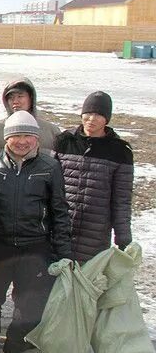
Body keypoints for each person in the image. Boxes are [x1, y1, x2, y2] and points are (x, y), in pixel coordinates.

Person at [0, 111, 73, 353]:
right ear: (7, 138)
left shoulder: (49, 167)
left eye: (28, 135)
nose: (22, 141)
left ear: (37, 138)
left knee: (30, 305)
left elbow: (60, 212)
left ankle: (13, 348)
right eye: (16, 135)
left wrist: (63, 253)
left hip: (35, 246)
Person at [53, 91, 134, 262]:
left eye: (98, 114)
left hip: (95, 232)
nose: (91, 119)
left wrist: (123, 238)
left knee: (86, 284)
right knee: (53, 283)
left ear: (107, 118)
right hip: (60, 227)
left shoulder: (120, 151)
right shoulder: (65, 142)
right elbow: (48, 184)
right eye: (88, 113)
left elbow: (122, 200)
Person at [0, 78, 62, 164]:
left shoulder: (52, 131)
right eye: (11, 98)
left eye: (20, 96)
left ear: (31, 97)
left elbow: (61, 167)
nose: (15, 101)